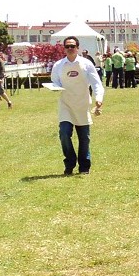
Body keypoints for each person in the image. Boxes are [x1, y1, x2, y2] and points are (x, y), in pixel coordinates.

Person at [50, 37, 105, 175]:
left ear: (78, 47)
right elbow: (55, 82)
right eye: (67, 46)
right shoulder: (58, 65)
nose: (70, 48)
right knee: (64, 133)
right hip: (65, 104)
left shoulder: (86, 64)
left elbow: (96, 83)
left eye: (72, 46)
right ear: (64, 48)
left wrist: (98, 98)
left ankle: (84, 166)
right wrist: (55, 87)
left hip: (82, 104)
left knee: (84, 138)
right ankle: (69, 163)